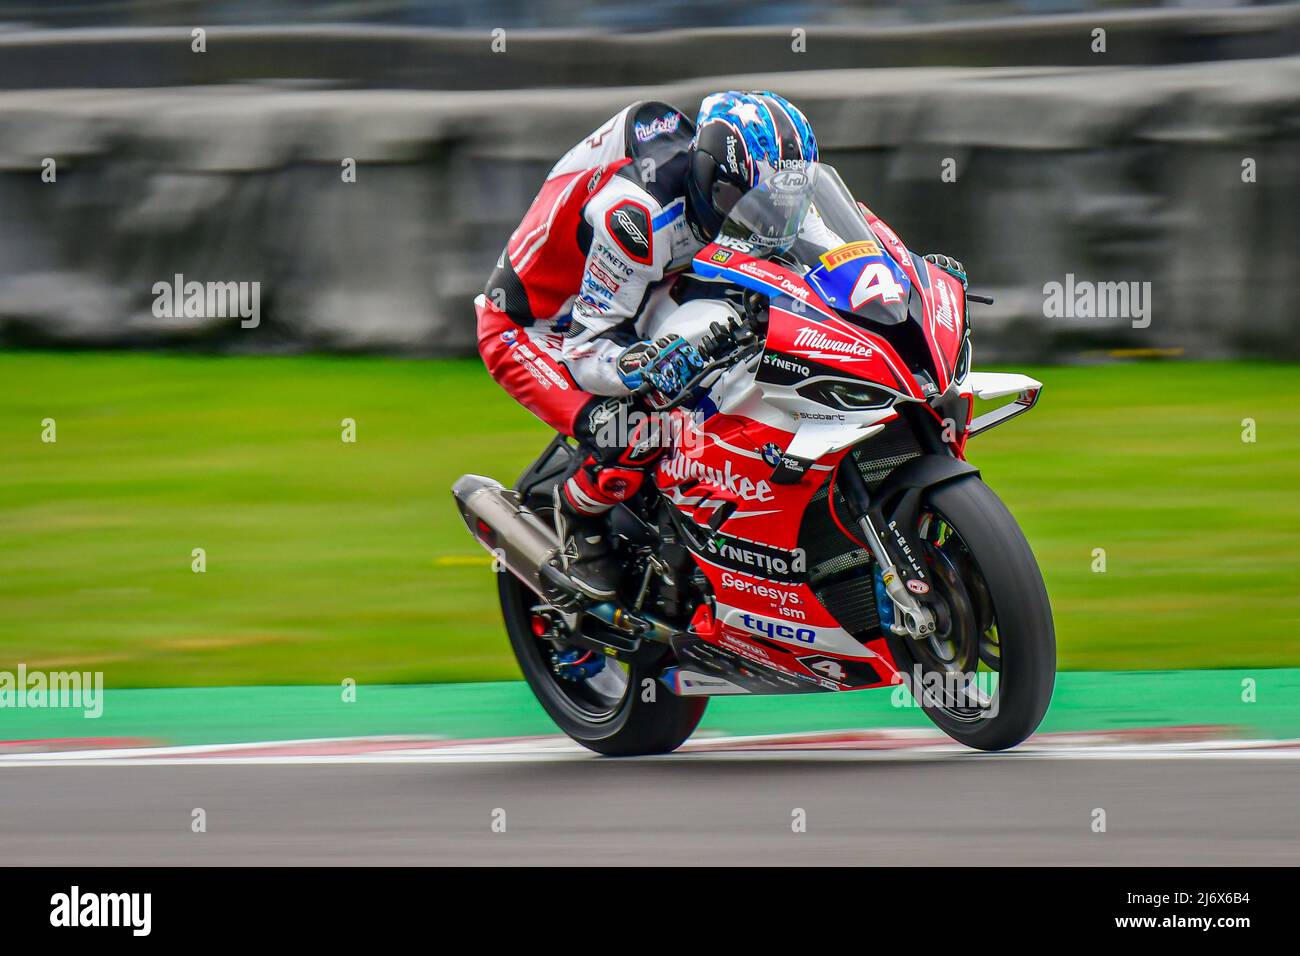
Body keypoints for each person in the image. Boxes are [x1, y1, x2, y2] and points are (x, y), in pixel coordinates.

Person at [475, 91, 819, 599]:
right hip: (542, 324)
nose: (768, 220)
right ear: (707, 179)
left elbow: (835, 247)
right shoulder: (637, 216)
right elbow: (589, 350)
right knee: (636, 428)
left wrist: (908, 275)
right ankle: (580, 526)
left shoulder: (765, 189)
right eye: (744, 205)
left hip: (642, 284)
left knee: (740, 365)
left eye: (781, 205)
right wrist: (641, 365)